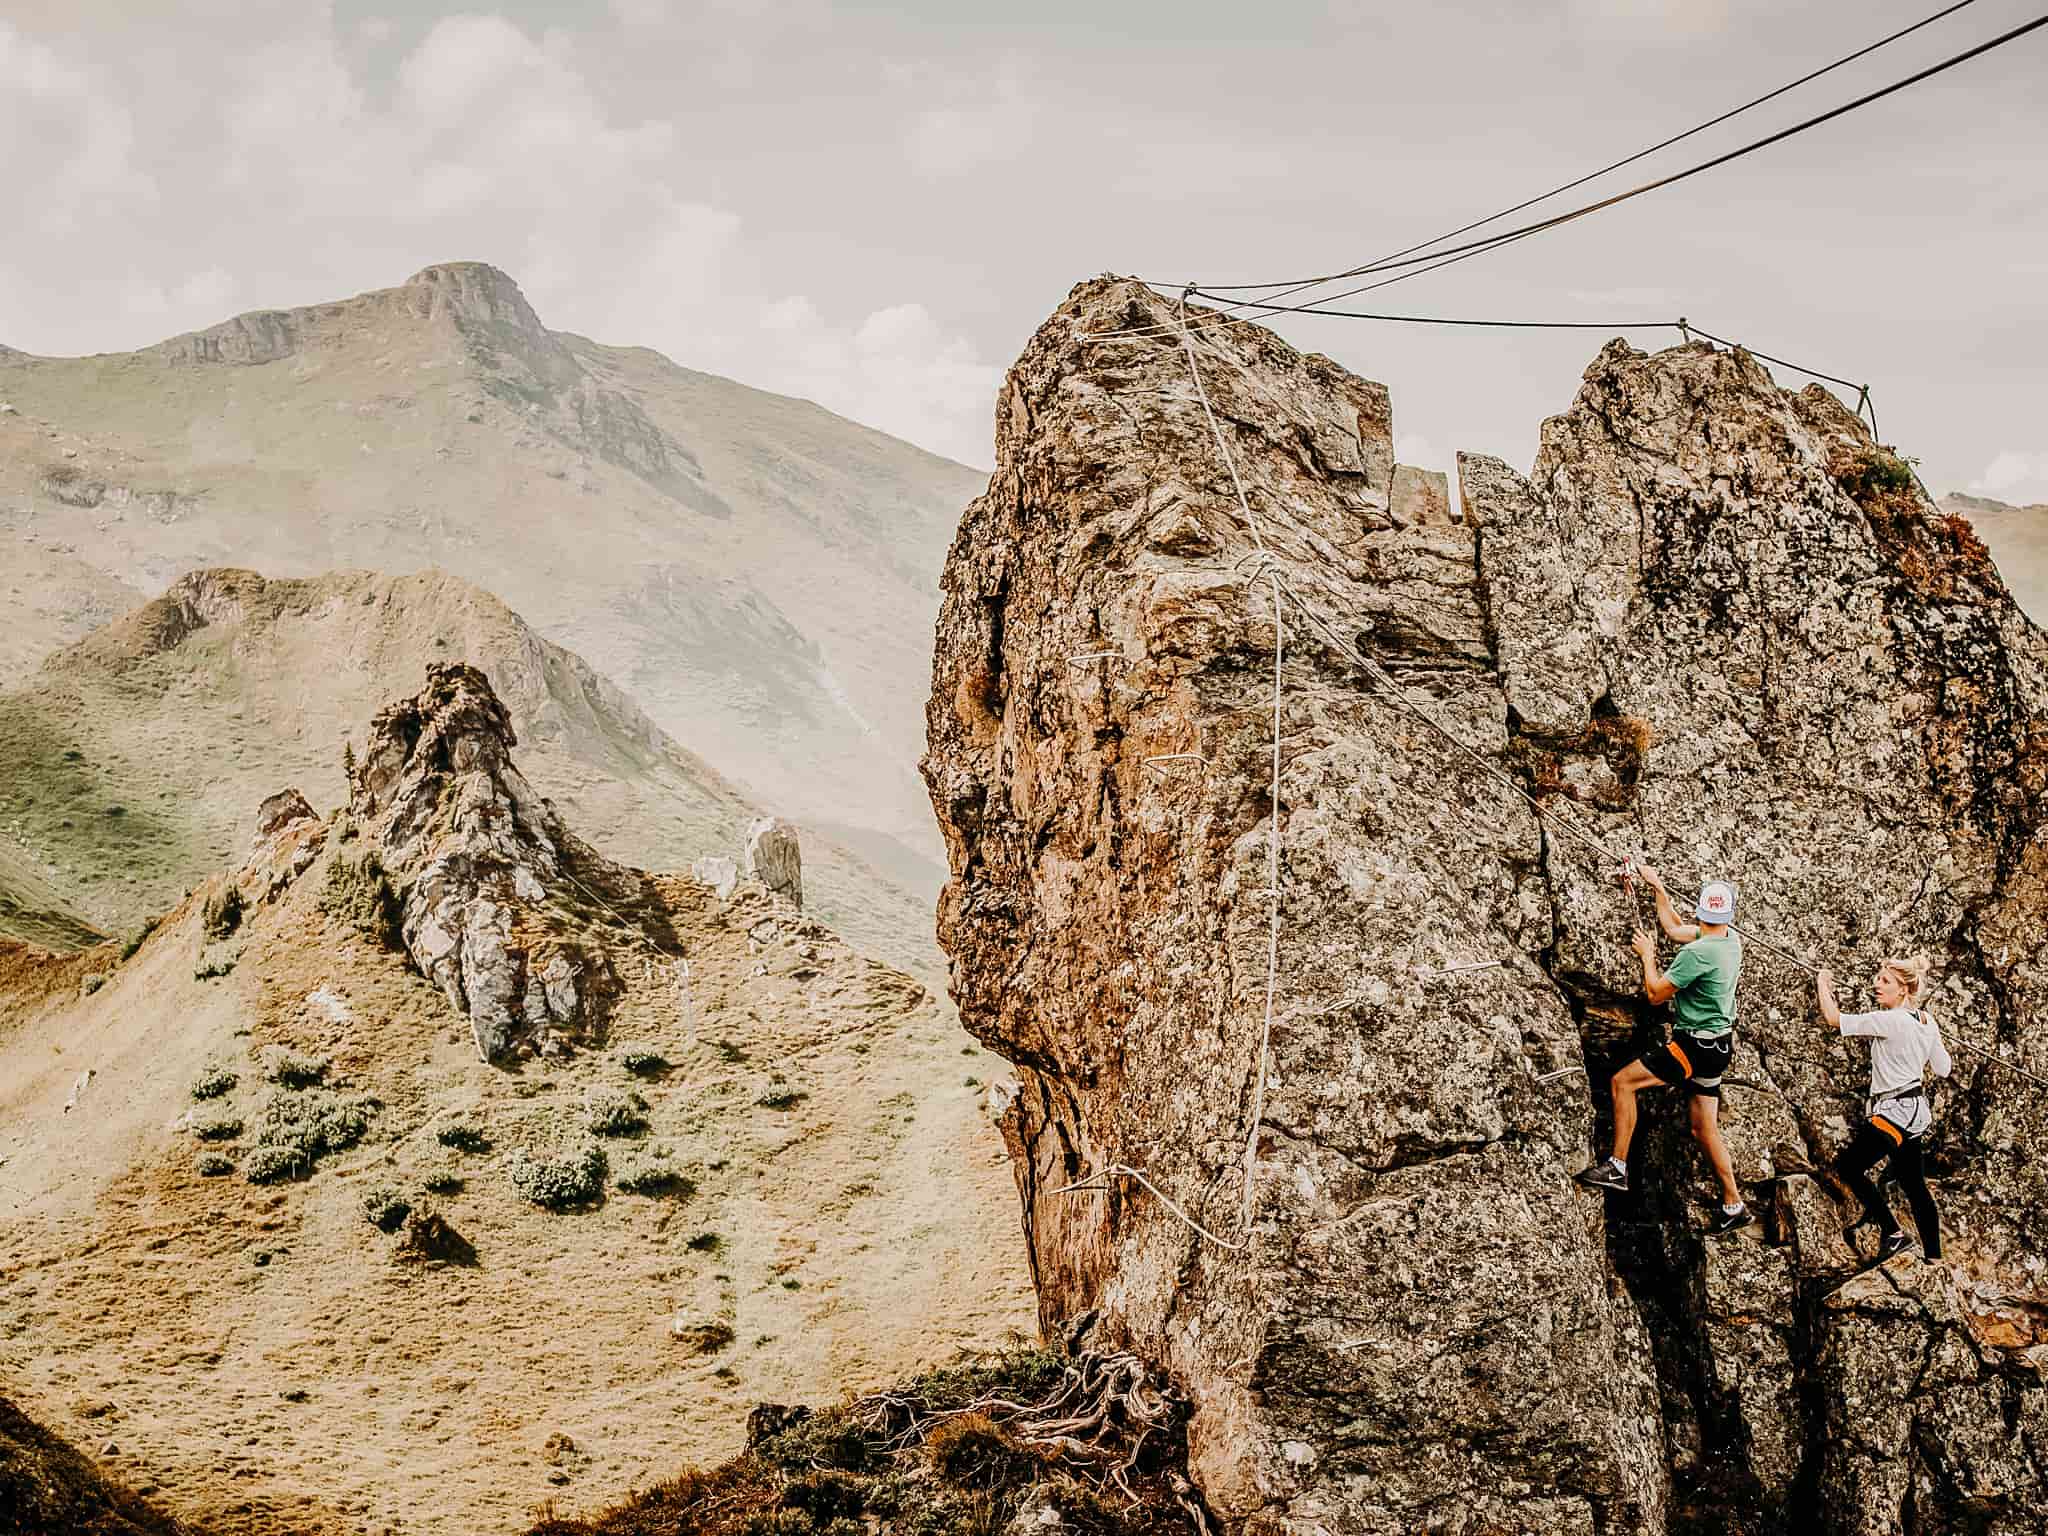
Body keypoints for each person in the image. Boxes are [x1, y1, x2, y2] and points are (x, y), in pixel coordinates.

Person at [1576, 869, 1752, 1234]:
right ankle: (1734, 1204)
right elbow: (1673, 928)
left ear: (1701, 910)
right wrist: (1658, 889)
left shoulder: (1697, 954)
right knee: (1704, 1128)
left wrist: (1648, 956)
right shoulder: (1729, 939)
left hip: (1693, 1046)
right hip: (1718, 1046)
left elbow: (1656, 993)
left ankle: (1617, 1166)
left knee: (1623, 1083)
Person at [1816, 955, 1951, 1264]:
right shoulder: (1926, 1021)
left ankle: (1893, 1233)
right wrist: (1928, 1039)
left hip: (1894, 1111)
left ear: (1903, 989)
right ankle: (1934, 1258)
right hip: (1916, 1111)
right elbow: (1943, 1068)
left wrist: (1822, 983)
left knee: (1849, 1168)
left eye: (1885, 981)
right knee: (1913, 1184)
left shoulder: (1889, 1020)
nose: (1877, 984)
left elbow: (1834, 1019)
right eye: (1878, 978)